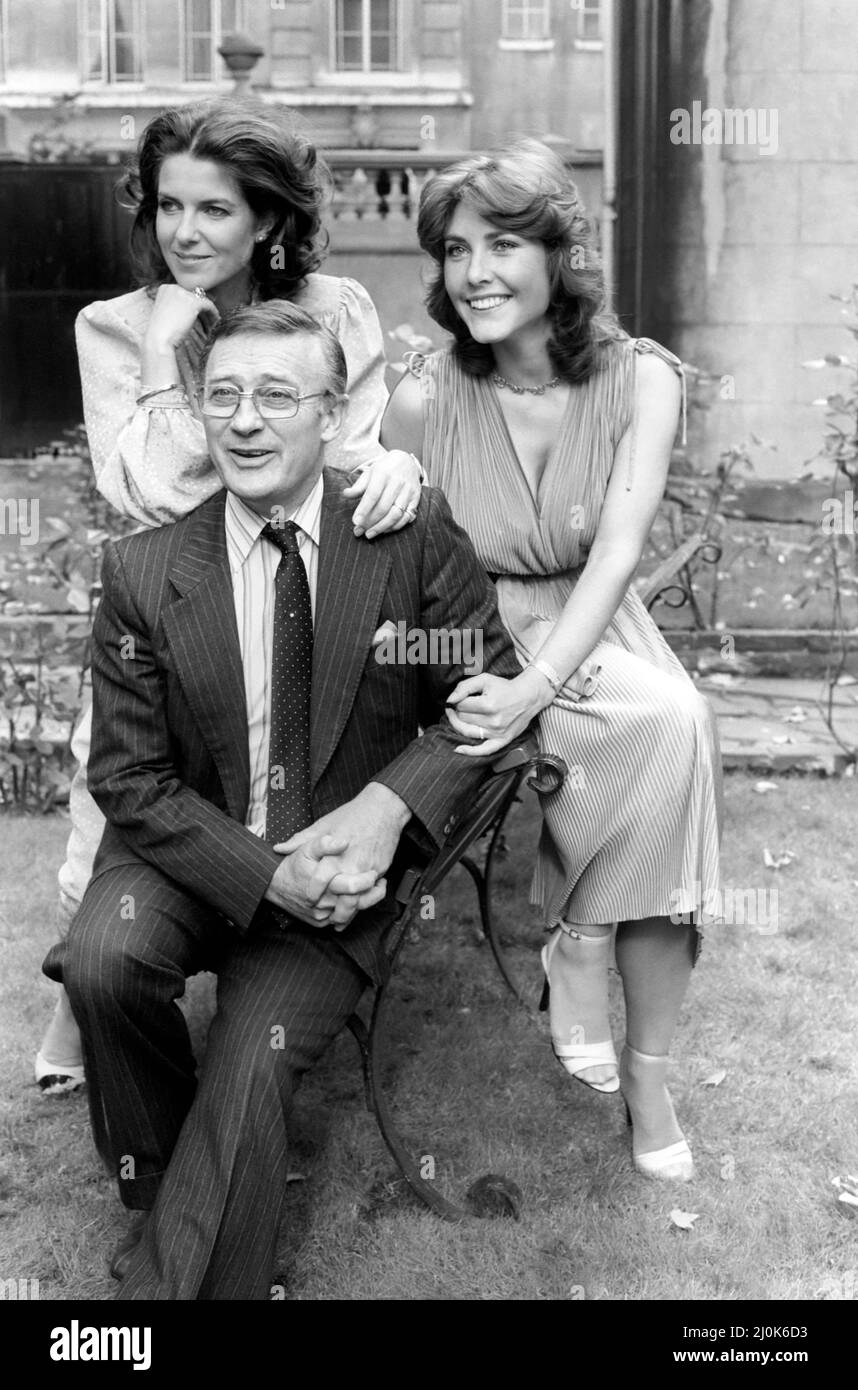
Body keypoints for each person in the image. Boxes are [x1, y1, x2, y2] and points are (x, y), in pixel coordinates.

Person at [43, 301, 518, 1300]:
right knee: (101, 962)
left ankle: (161, 1291)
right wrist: (266, 875)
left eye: (275, 395)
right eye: (223, 396)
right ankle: (164, 1184)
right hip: (193, 841)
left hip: (343, 866)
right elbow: (128, 778)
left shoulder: (405, 534)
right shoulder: (144, 569)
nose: (245, 420)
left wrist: (391, 808)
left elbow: (493, 699)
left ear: (334, 412)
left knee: (251, 1060)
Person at [34, 97, 421, 1096]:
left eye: (214, 209)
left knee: (279, 757)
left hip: (295, 570)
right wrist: (173, 348)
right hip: (170, 591)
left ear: (267, 221)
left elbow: (349, 447)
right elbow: (147, 490)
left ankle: (280, 946)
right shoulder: (115, 327)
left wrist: (394, 473)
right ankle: (87, 987)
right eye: (169, 207)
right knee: (111, 780)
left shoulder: (335, 311)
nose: (185, 232)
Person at [382, 140, 722, 1183]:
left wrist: (544, 680)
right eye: (452, 249)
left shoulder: (642, 378)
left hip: (593, 624)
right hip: (476, 635)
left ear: (558, 253)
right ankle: (608, 1008)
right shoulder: (425, 397)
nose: (472, 270)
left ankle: (592, 965)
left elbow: (618, 551)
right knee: (673, 725)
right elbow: (389, 558)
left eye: (501, 243)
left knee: (670, 722)